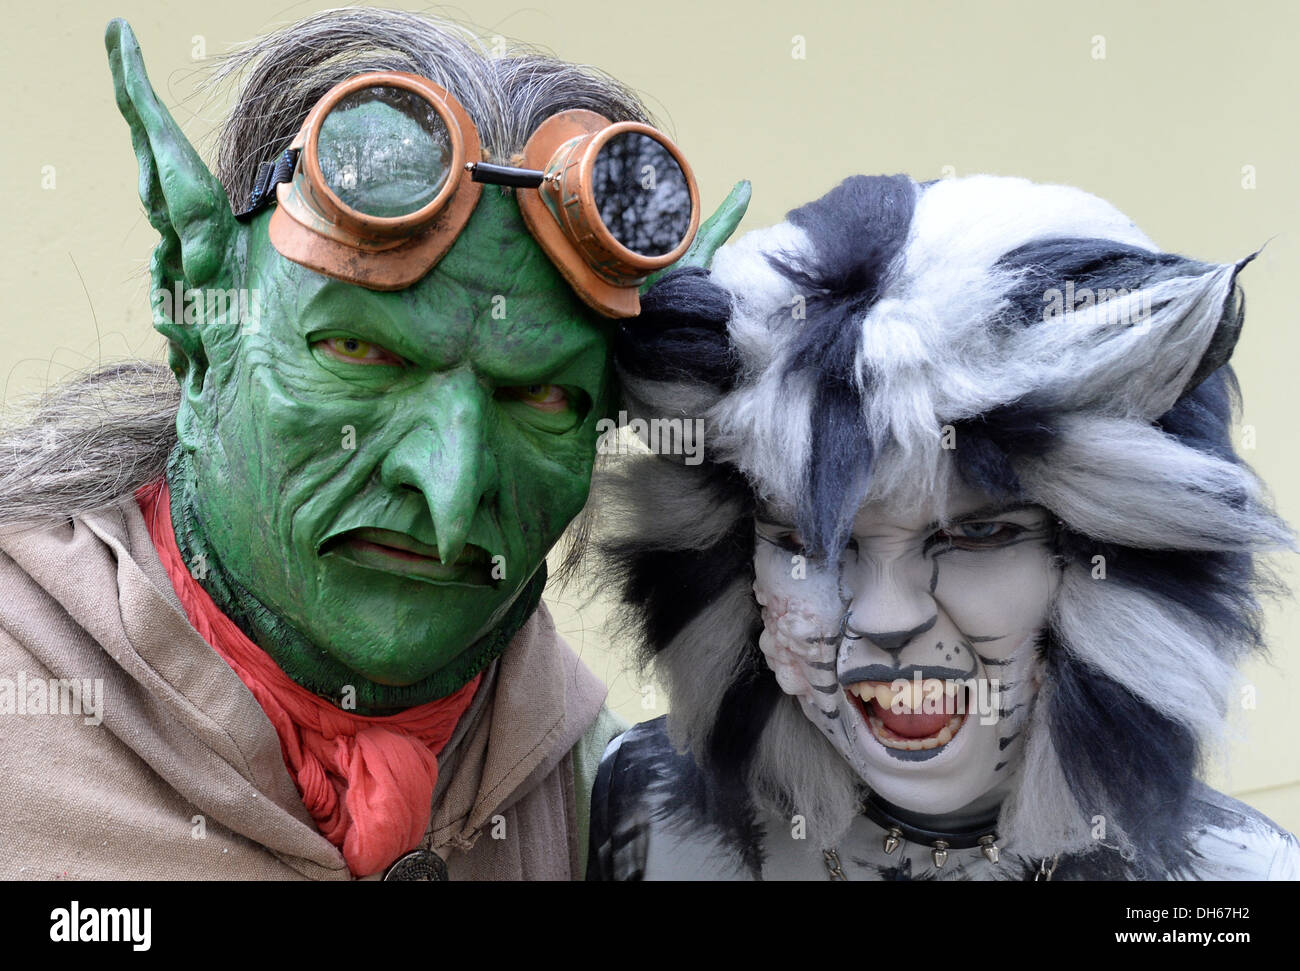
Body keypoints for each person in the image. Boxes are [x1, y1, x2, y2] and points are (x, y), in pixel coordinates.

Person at [0, 8, 744, 880]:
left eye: (541, 397)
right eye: (362, 352)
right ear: (198, 323)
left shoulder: (620, 821)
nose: (450, 494)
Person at [588, 172, 1300, 879]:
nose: (886, 616)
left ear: (1107, 562)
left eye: (977, 536)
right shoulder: (639, 815)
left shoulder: (1240, 882)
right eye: (809, 541)